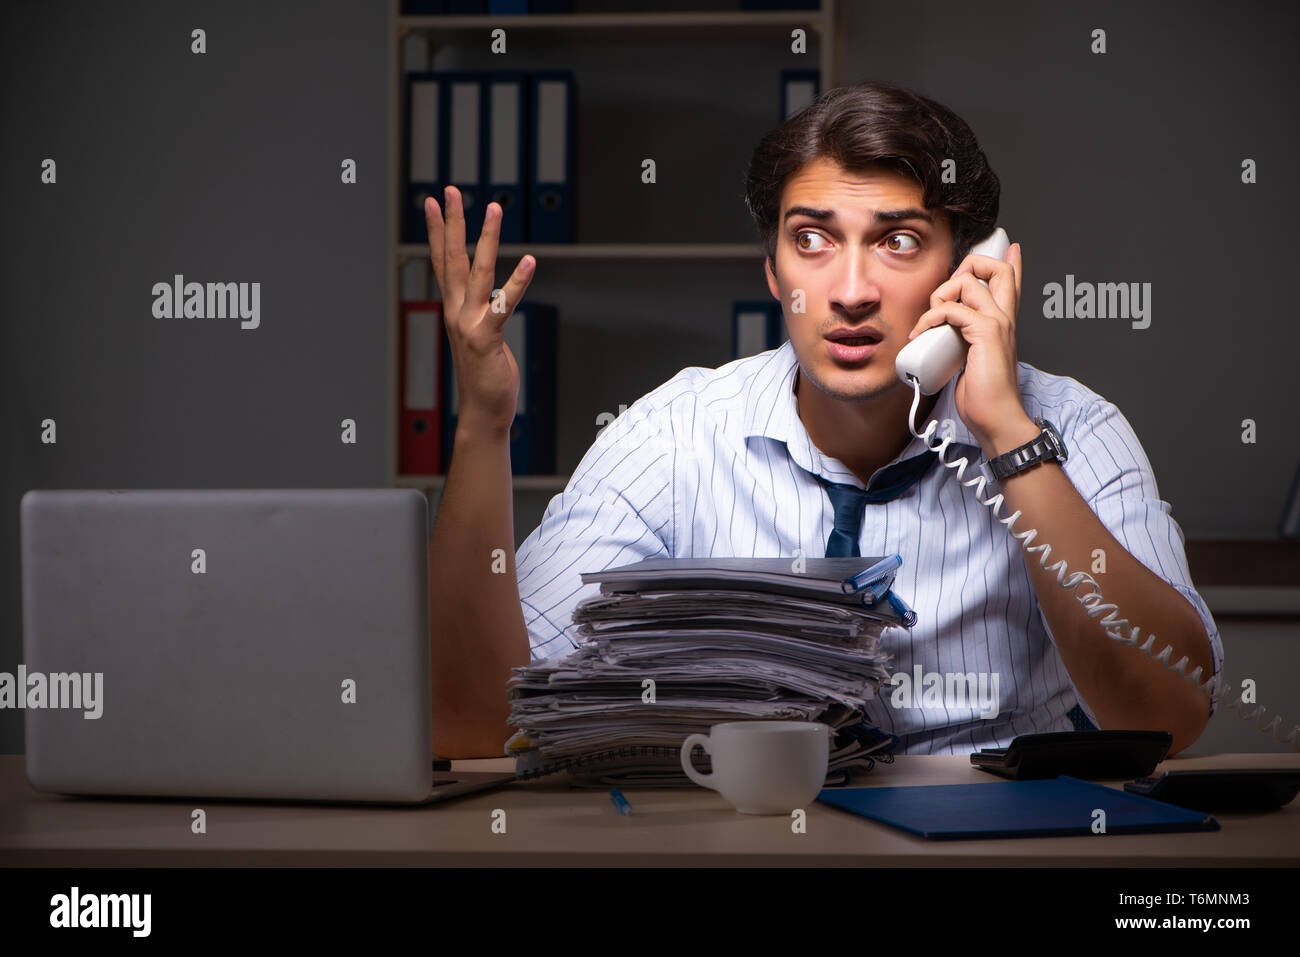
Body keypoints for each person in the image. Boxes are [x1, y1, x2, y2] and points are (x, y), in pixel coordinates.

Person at [425, 80, 1221, 758]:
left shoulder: (1070, 429)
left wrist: (1010, 436)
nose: (849, 290)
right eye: (812, 239)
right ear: (772, 269)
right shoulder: (671, 435)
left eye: (898, 241)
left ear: (971, 267)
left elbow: (1171, 716)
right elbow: (475, 724)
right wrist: (482, 426)